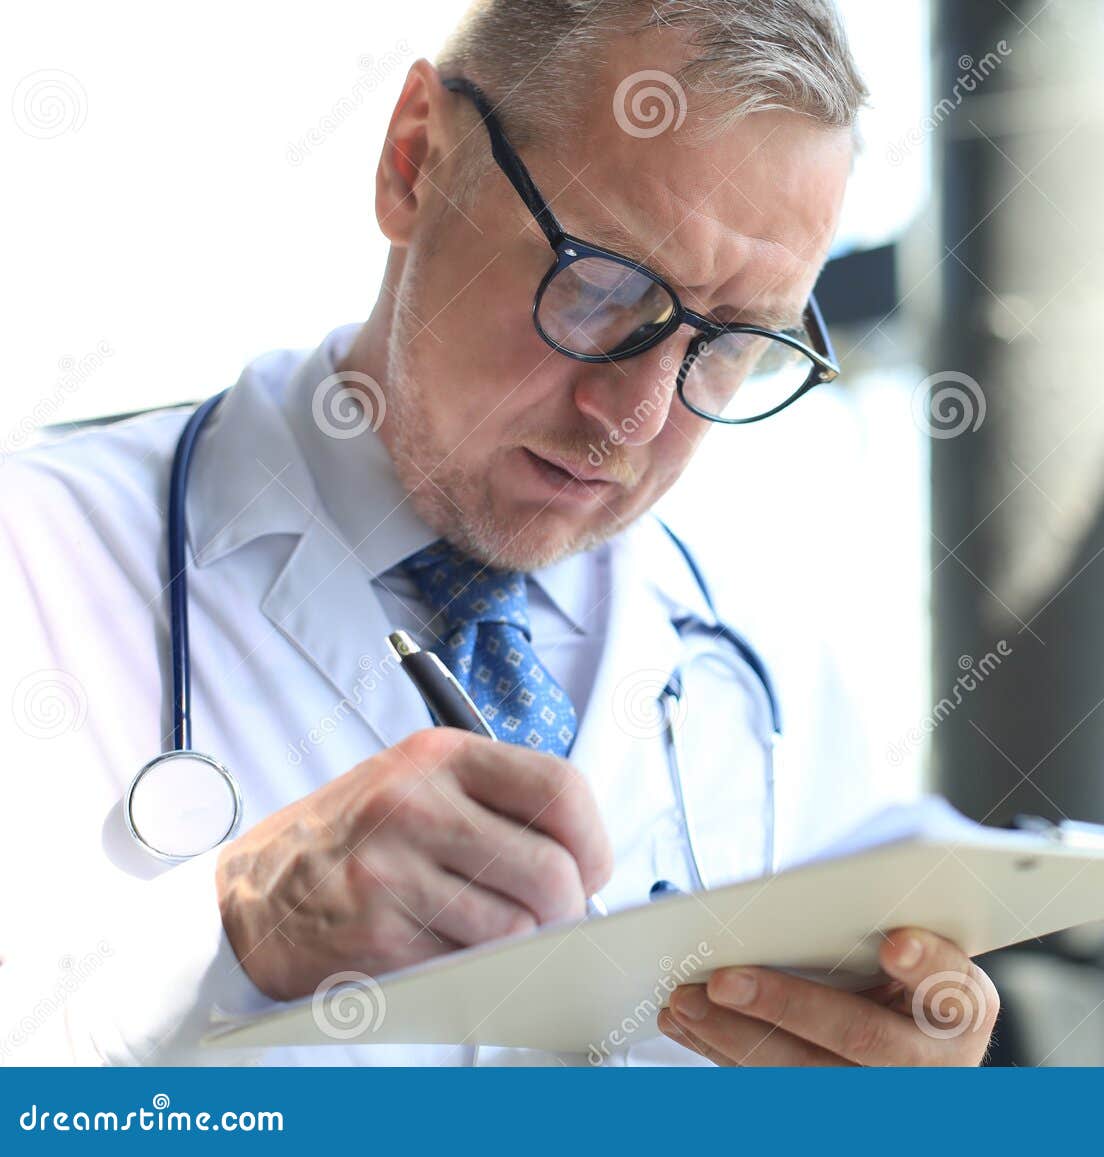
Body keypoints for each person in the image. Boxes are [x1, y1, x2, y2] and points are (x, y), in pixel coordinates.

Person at [0, 0, 999, 1066]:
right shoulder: (41, 559)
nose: (635, 419)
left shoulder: (769, 684)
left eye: (734, 345)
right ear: (414, 158)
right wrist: (225, 939)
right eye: (604, 290)